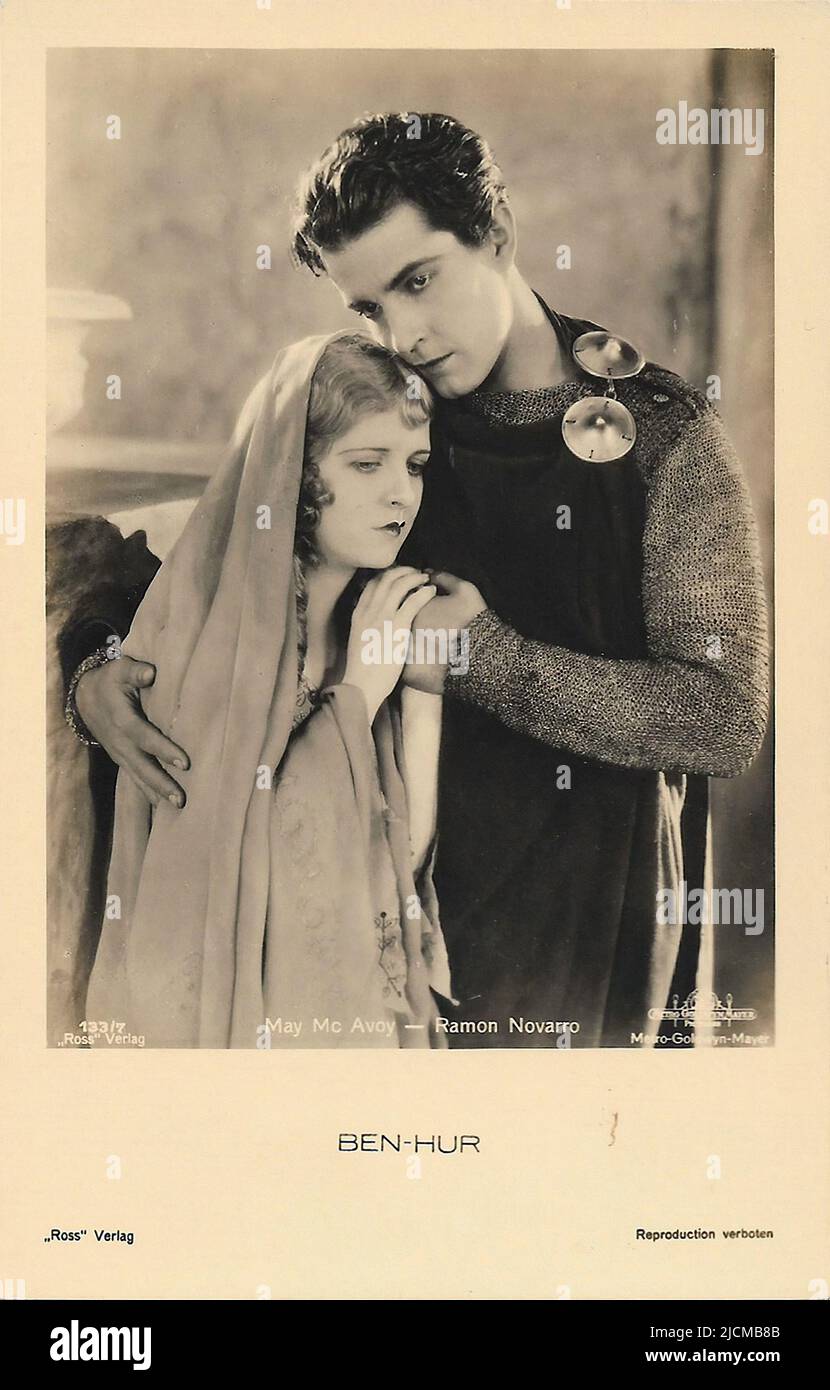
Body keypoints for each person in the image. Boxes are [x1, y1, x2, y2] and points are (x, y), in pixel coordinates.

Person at [69, 112, 770, 1048]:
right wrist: (96, 664)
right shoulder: (383, 419)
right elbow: (225, 557)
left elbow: (721, 718)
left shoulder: (666, 440)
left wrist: (477, 657)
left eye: (417, 281)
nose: (402, 333)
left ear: (498, 234)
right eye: (368, 308)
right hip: (372, 921)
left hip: (585, 927)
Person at [82, 331, 453, 1048]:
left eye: (414, 465)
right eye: (366, 463)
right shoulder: (217, 635)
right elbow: (222, 875)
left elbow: (399, 859)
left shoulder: (379, 613)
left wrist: (417, 690)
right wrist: (358, 699)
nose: (400, 493)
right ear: (295, 474)